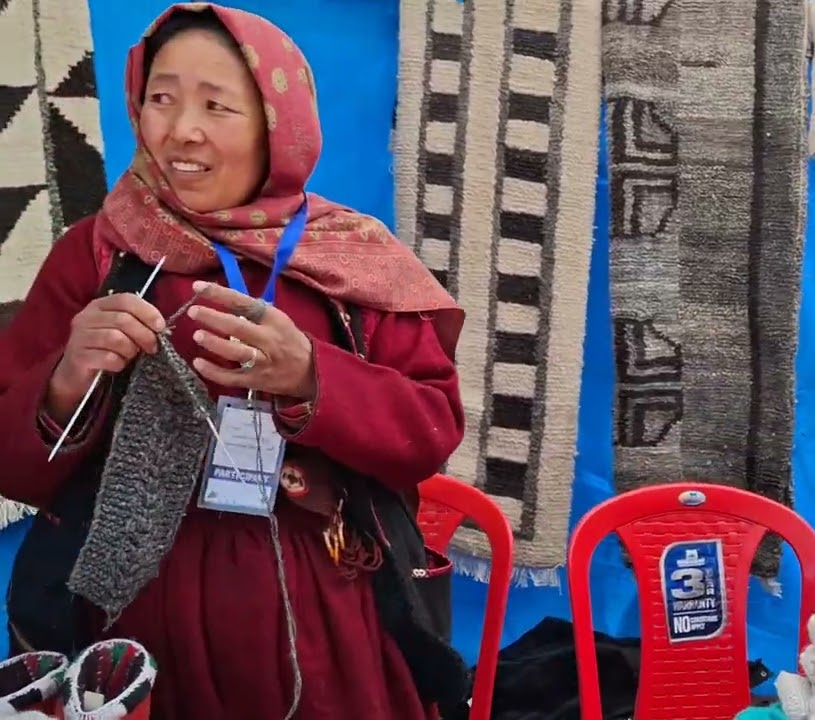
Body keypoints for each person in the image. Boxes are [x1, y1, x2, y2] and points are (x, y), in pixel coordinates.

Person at [0, 4, 469, 718]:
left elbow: (431, 428)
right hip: (131, 620)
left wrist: (311, 376)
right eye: (161, 98)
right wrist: (68, 378)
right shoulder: (97, 255)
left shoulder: (352, 259)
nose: (180, 129)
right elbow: (13, 466)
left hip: (322, 613)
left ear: (277, 127)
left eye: (217, 106)